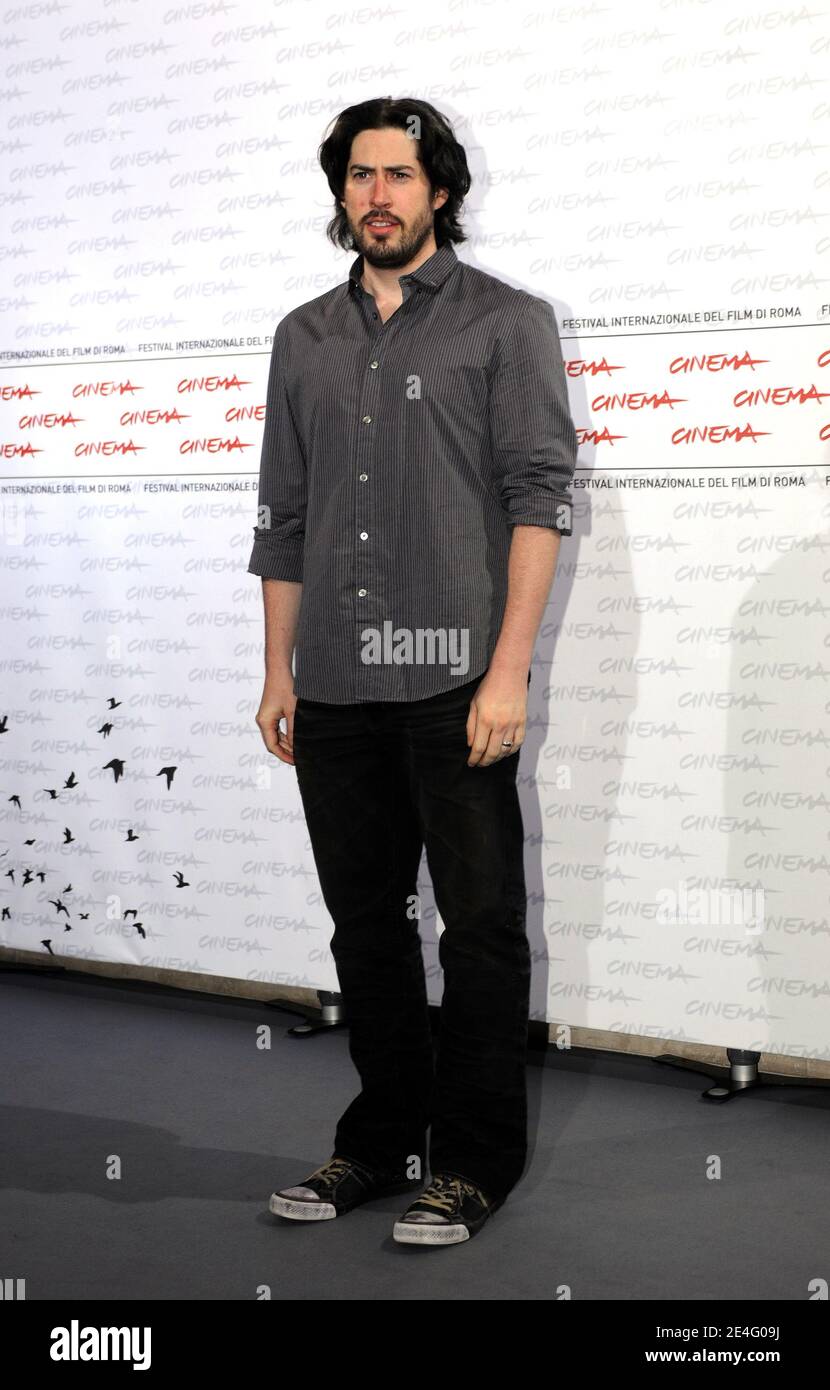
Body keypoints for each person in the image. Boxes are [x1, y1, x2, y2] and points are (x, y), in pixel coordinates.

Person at [249, 96, 577, 1246]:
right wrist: (278, 670)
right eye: (356, 175)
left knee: (478, 927)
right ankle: (379, 1142)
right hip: (333, 684)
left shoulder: (504, 323)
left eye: (397, 173)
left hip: (454, 682)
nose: (375, 194)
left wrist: (508, 674)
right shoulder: (304, 335)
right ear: (339, 191)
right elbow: (283, 518)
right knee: (366, 928)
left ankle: (472, 1161)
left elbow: (537, 500)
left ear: (439, 188)